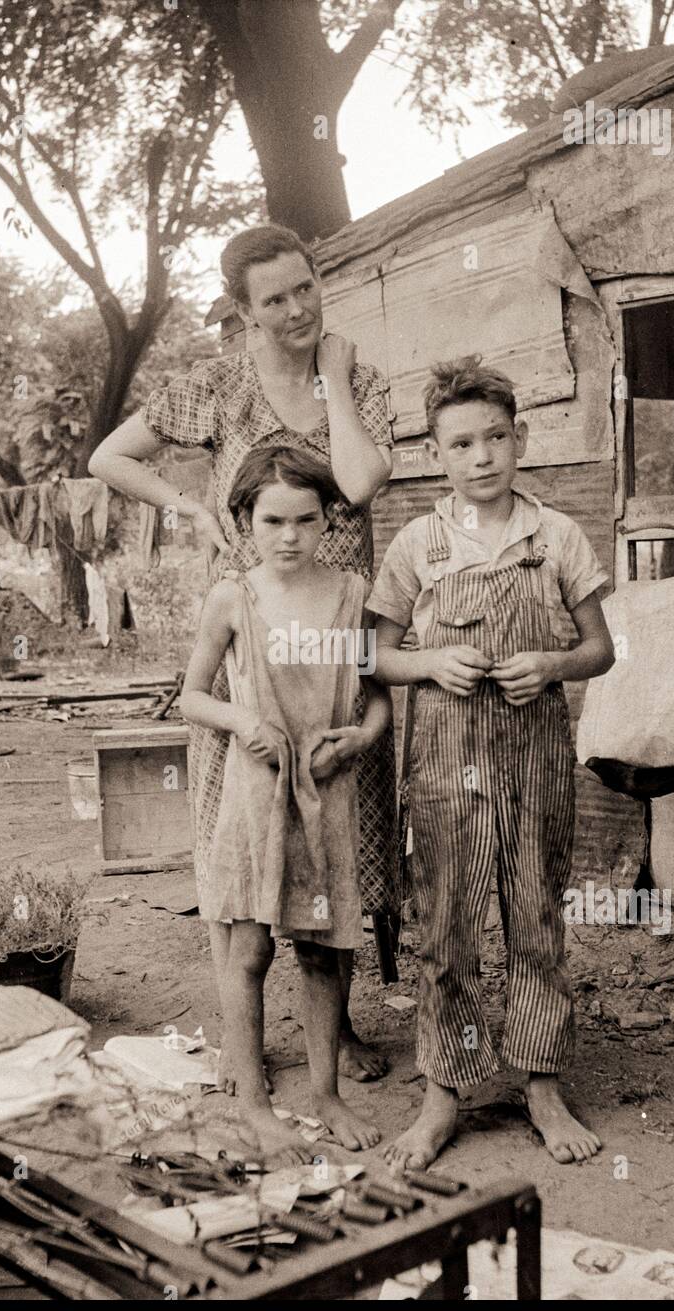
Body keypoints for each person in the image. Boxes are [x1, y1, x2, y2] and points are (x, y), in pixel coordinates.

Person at [88, 224, 397, 1089]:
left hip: (338, 635)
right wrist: (188, 508)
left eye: (306, 288)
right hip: (251, 634)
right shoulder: (217, 387)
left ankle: (340, 1034)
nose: (298, 309)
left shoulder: (360, 379)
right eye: (275, 299)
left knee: (343, 826)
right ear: (242, 311)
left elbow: (363, 483)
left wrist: (329, 375)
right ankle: (243, 1039)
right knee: (244, 832)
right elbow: (108, 456)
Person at [366, 356, 616, 1170]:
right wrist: (429, 664)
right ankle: (445, 1093)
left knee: (537, 916)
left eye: (497, 438)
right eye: (463, 443)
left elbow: (600, 650)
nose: (483, 457)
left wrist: (549, 664)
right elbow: (373, 658)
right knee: (444, 925)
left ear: (521, 438)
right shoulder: (419, 543)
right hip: (443, 763)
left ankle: (541, 1082)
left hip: (535, 758)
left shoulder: (557, 537)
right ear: (436, 454)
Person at [180, 444, 389, 1161]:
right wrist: (243, 721)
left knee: (324, 951)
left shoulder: (350, 593)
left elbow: (381, 695)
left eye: (306, 519)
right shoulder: (233, 598)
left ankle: (326, 1095)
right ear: (244, 520)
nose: (290, 536)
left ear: (329, 518)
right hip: (255, 794)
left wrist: (358, 740)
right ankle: (257, 1105)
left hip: (327, 792)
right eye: (273, 521)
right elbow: (192, 696)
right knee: (249, 947)